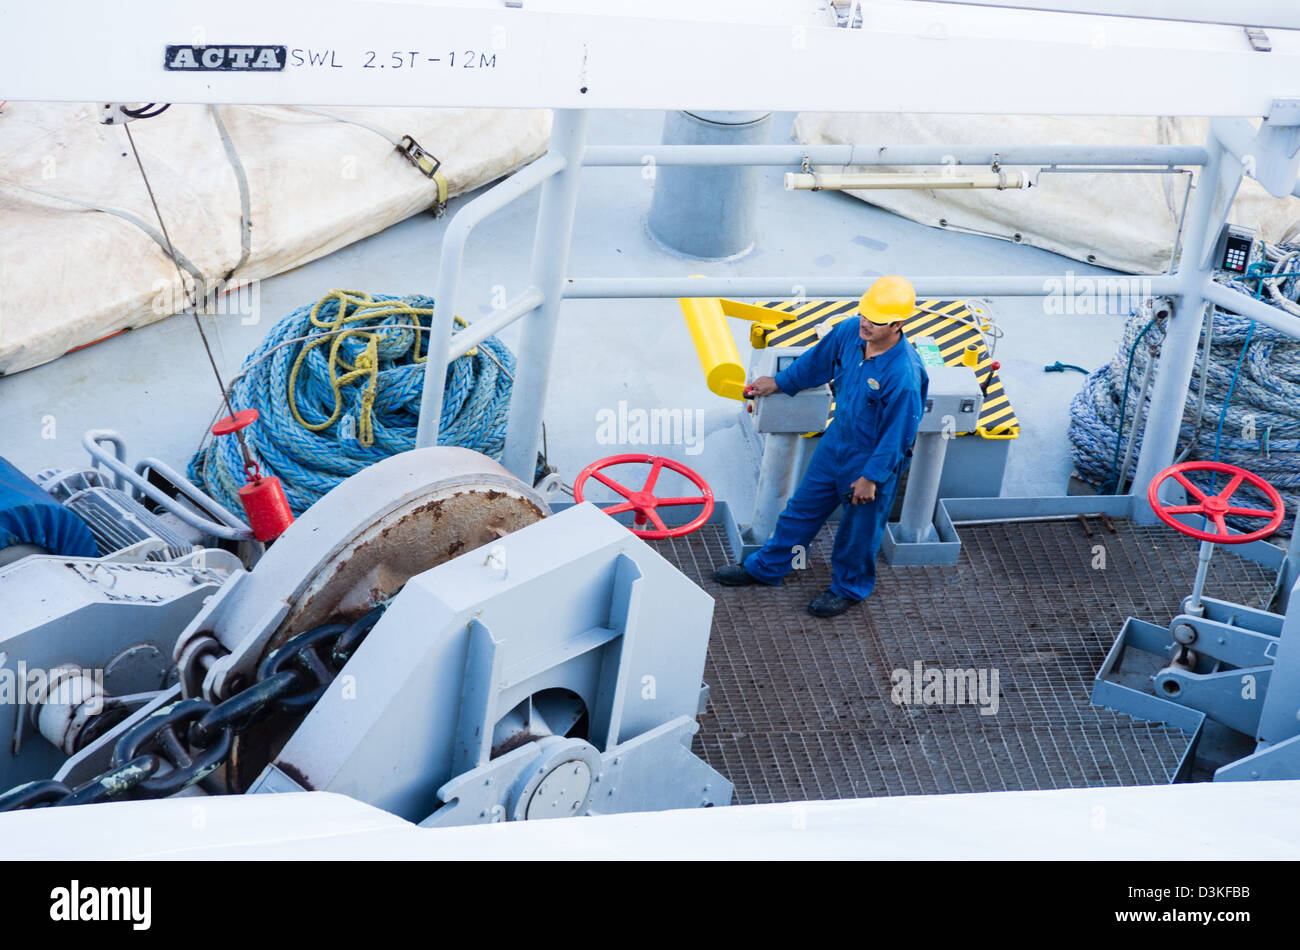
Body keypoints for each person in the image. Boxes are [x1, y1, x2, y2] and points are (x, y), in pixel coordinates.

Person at [713, 275, 929, 618]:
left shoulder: (902, 375)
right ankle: (767, 568)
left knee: (858, 530)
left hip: (871, 461)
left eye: (875, 320)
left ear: (898, 324)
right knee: (801, 510)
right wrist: (781, 383)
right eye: (864, 314)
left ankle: (849, 588)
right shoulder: (849, 332)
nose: (866, 323)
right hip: (836, 443)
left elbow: (899, 434)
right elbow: (817, 362)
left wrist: (872, 477)